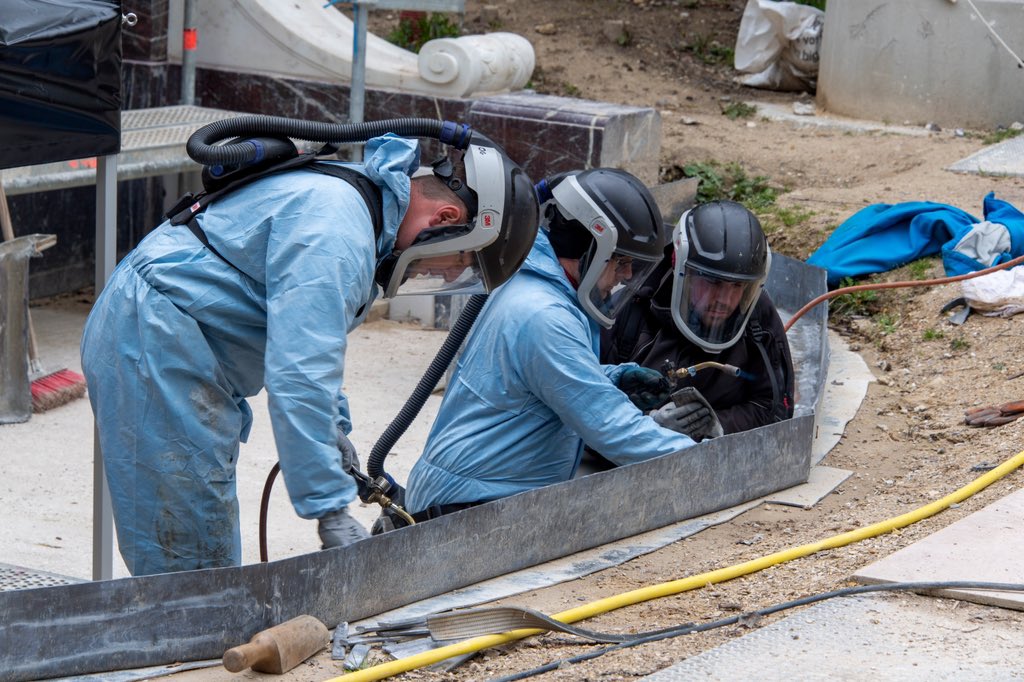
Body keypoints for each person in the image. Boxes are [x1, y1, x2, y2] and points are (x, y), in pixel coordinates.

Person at [80, 130, 539, 575]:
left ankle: (198, 634)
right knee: (185, 547)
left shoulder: (358, 215)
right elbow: (298, 375)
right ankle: (186, 642)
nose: (442, 276)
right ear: (444, 218)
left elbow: (311, 347)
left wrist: (333, 430)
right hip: (155, 339)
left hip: (177, 339)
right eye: (459, 261)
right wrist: (330, 510)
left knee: (199, 523)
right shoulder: (337, 231)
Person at [397, 168, 702, 525]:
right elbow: (613, 429)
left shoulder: (531, 283)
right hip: (468, 511)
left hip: (474, 495)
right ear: (591, 245)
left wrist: (613, 377)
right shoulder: (544, 316)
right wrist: (712, 462)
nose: (627, 275)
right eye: (621, 261)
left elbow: (528, 383)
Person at [601, 200, 794, 441]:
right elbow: (584, 402)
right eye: (713, 282)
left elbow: (777, 409)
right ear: (680, 269)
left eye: (737, 285)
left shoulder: (757, 315)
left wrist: (718, 427)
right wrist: (647, 423)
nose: (725, 300)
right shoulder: (633, 307)